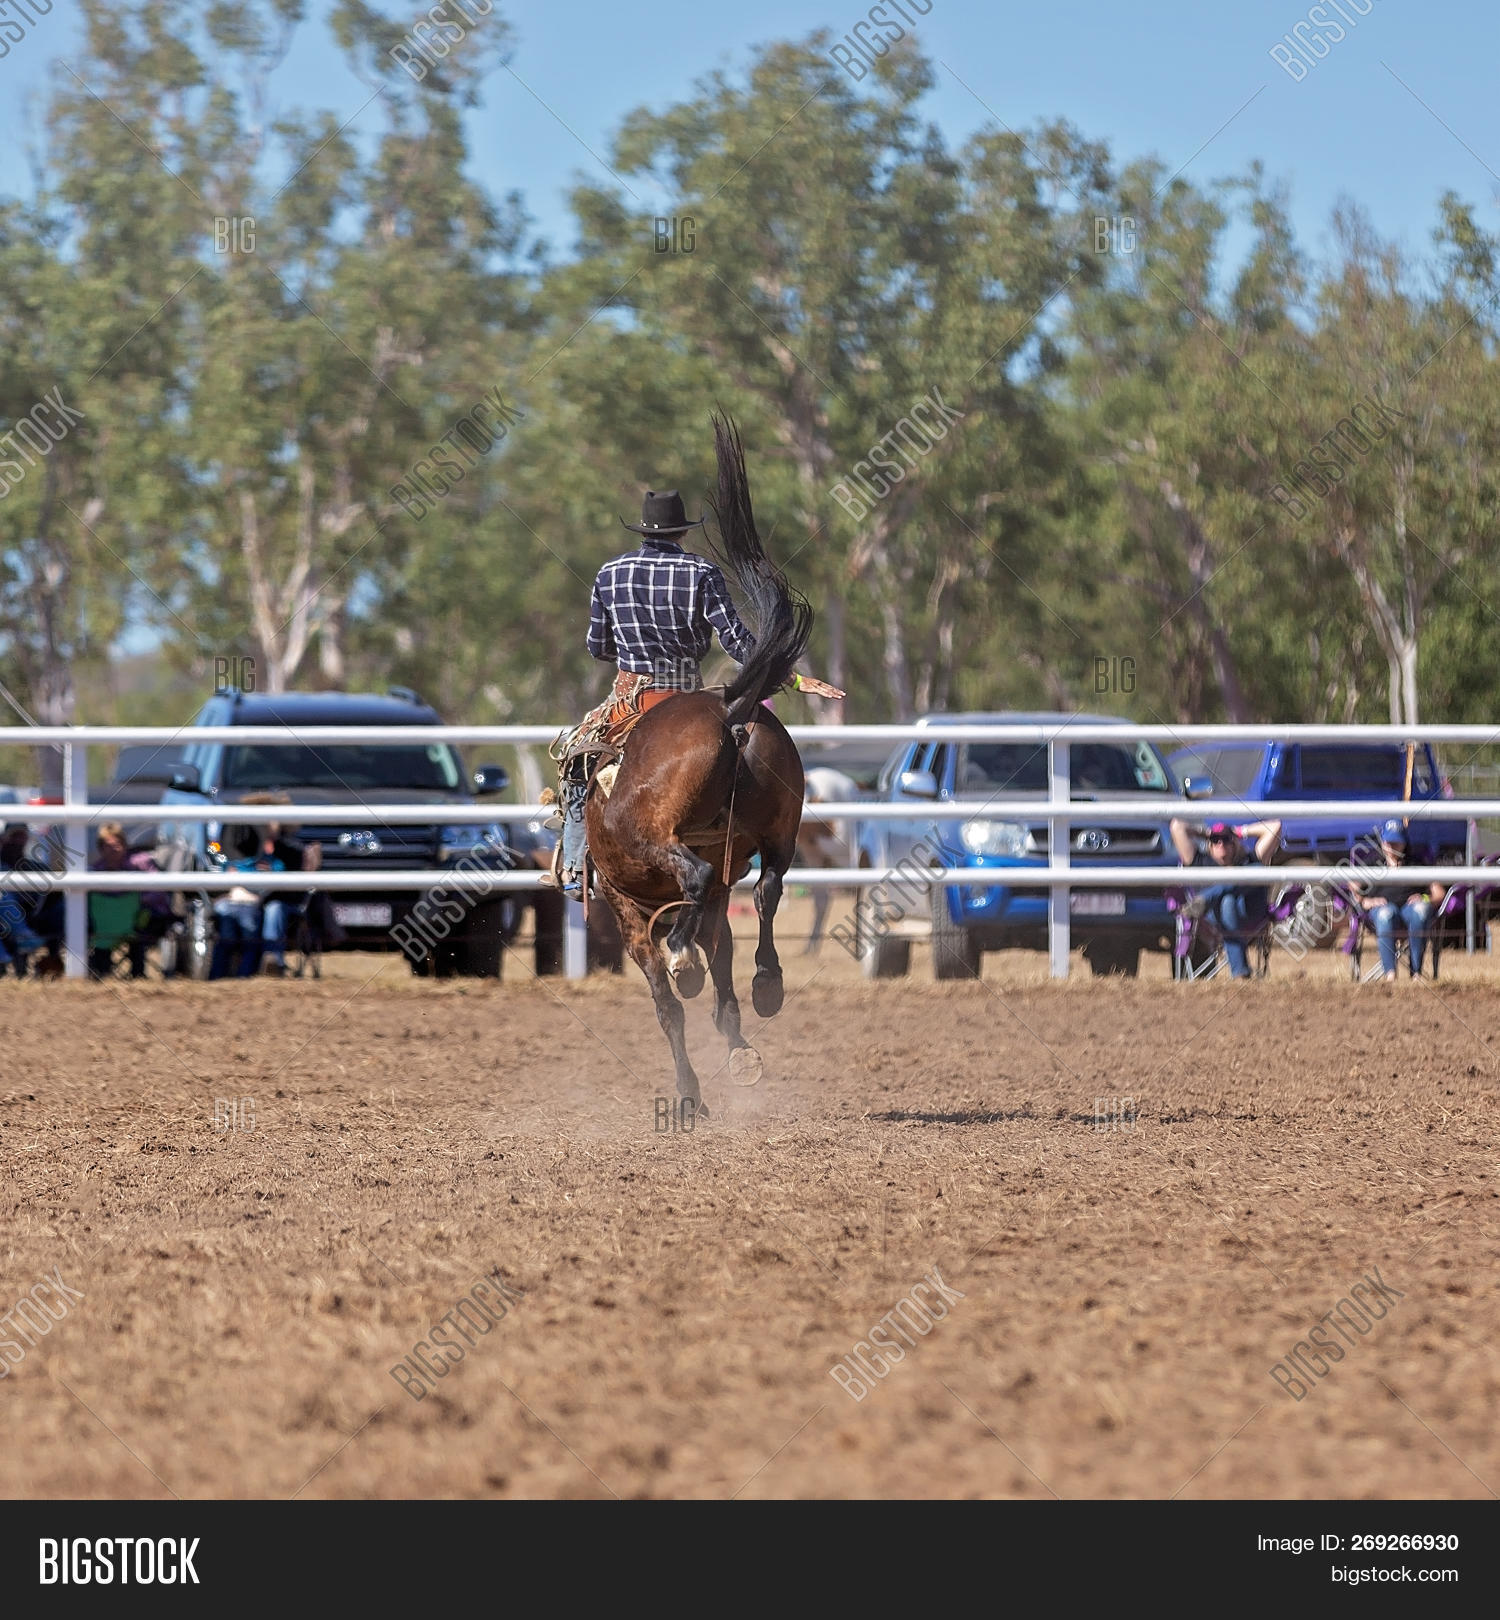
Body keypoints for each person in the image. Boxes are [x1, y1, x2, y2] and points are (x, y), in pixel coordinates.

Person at [545, 487, 840, 894]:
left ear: (643, 532)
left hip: (633, 701)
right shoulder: (701, 573)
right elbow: (737, 641)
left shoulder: (609, 574)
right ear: (681, 533)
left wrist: (630, 647)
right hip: (689, 696)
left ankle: (577, 868)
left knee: (576, 764)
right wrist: (792, 678)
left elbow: (597, 646)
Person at [1170, 815, 1284, 979]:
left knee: (1256, 868)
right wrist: (1205, 833)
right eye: (1216, 840)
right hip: (1213, 918)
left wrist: (1240, 831)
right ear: (1210, 843)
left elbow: (1276, 826)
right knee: (1227, 902)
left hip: (1250, 913)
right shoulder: (1200, 861)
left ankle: (1207, 898)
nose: (1221, 844)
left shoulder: (1247, 859)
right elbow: (1176, 826)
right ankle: (1240, 973)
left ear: (1234, 842)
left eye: (1226, 839)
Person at [1355, 818, 1443, 982]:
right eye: (1388, 842)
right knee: (1385, 914)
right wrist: (1365, 901)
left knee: (1420, 910)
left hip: (1410, 912)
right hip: (1384, 912)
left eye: (1396, 842)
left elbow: (1439, 893)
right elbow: (1352, 883)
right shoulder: (1373, 863)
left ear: (1404, 843)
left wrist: (1424, 898)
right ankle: (1390, 974)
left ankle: (1416, 973)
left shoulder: (1416, 864)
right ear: (1382, 843)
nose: (1392, 847)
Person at [88, 821, 174, 978]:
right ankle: (101, 975)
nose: (114, 849)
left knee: (139, 929)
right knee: (100, 928)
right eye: (108, 845)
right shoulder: (95, 870)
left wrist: (134, 898)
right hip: (105, 924)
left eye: (118, 844)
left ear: (125, 845)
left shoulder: (141, 863)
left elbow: (159, 891)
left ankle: (137, 975)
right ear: (101, 848)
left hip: (139, 921)